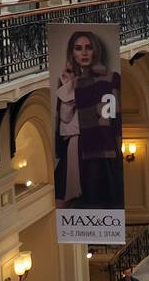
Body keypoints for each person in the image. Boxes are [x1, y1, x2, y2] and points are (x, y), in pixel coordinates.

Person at [53, 29, 123, 211]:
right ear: (72, 53)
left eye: (88, 48)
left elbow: (114, 117)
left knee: (95, 202)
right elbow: (65, 118)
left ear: (96, 50)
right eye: (78, 48)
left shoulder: (109, 78)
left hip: (99, 148)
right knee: (63, 202)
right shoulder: (68, 81)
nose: (84, 53)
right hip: (74, 146)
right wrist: (69, 84)